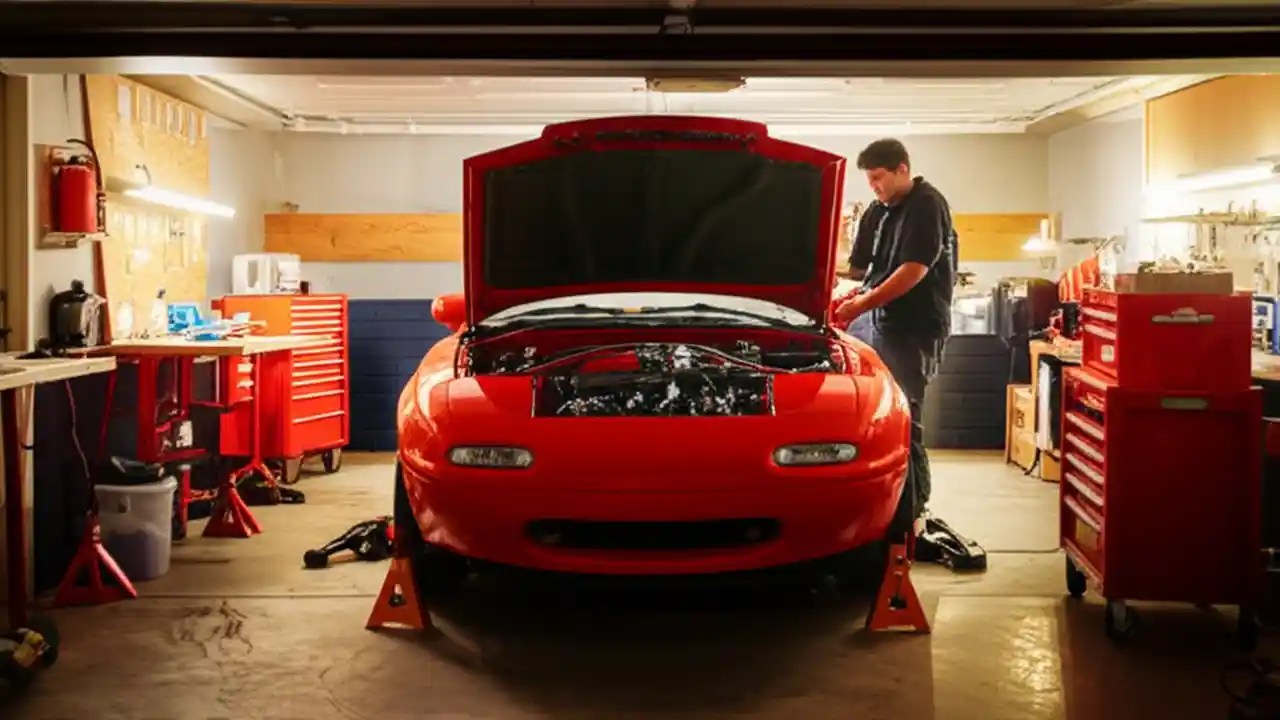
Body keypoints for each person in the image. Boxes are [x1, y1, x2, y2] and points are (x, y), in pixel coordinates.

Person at [834, 138, 956, 540]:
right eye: (869, 180)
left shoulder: (925, 205)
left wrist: (859, 304)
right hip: (876, 321)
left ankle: (909, 516)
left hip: (912, 327)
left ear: (902, 169)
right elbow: (857, 270)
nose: (874, 187)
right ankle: (880, 509)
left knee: (904, 418)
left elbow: (913, 270)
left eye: (879, 178)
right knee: (873, 416)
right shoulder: (878, 210)